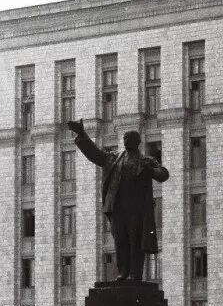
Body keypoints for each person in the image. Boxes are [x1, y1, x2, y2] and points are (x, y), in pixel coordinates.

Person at [69, 119, 169, 281]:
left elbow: (163, 175)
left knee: (136, 242)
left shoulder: (146, 160)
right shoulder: (114, 159)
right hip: (118, 209)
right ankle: (123, 272)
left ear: (137, 142)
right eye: (124, 139)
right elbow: (94, 154)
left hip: (137, 210)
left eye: (129, 138)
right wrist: (82, 134)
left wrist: (149, 168)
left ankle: (135, 273)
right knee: (120, 241)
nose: (125, 141)